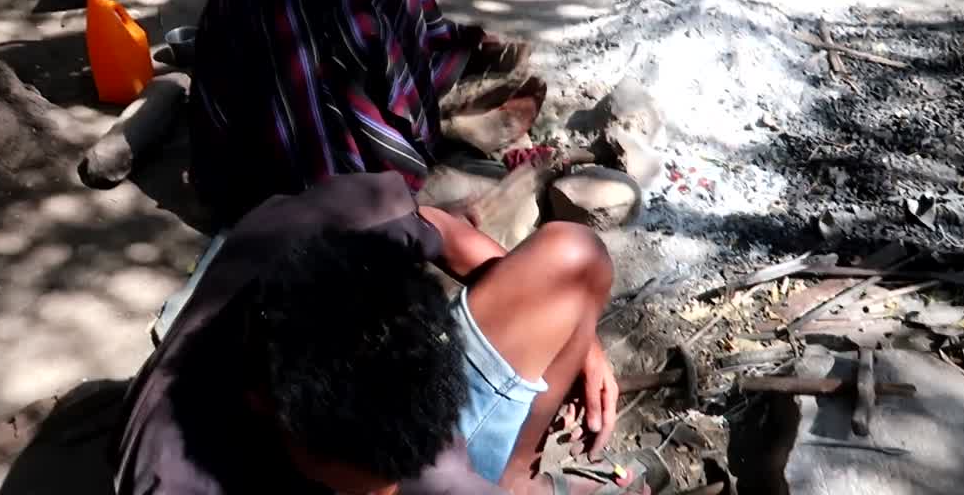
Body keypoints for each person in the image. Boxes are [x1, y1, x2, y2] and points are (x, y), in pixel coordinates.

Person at [114, 173, 657, 495]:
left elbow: (447, 233)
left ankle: (514, 475)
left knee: (575, 257)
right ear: (266, 407)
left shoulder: (353, 219)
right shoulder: (178, 477)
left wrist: (584, 343)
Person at [189, 0, 518, 227]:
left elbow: (418, 20)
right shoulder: (280, 3)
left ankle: (405, 143)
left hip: (342, 86)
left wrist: (462, 43)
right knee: (376, 223)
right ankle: (396, 166)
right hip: (258, 161)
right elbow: (305, 144)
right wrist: (398, 217)